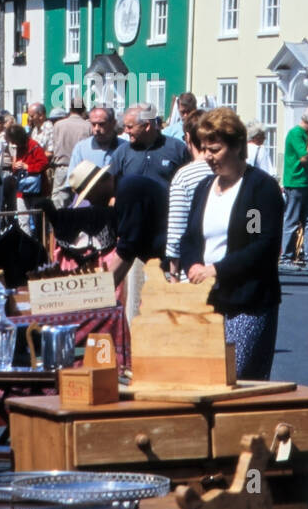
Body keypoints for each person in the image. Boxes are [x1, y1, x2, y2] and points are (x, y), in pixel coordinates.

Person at [178, 108, 283, 380]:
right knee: (203, 379)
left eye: (215, 149)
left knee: (235, 379)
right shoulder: (204, 188)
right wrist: (193, 264)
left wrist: (217, 269)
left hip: (246, 303)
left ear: (237, 146)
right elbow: (190, 237)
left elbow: (260, 245)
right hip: (207, 300)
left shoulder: (257, 189)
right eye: (204, 149)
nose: (208, 156)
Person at [166, 113, 215, 274]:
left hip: (194, 270)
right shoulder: (236, 174)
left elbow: (176, 230)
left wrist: (173, 272)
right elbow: (253, 221)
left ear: (188, 137)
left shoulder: (184, 176)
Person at [107, 102, 188, 190]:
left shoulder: (177, 148)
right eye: (124, 126)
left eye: (130, 127)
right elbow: (110, 184)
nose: (126, 131)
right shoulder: (122, 152)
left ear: (147, 126)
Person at [280, 106, 308, 271]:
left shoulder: (303, 134)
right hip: (295, 182)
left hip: (305, 183)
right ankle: (286, 257)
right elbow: (304, 157)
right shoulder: (296, 133)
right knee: (292, 220)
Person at [66, 105, 123, 178]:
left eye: (101, 124)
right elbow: (71, 180)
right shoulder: (81, 148)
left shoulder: (124, 148)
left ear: (113, 123)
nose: (97, 129)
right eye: (93, 124)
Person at [52, 97, 93, 195]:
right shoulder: (88, 126)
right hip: (82, 169)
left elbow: (54, 146)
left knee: (60, 202)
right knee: (80, 201)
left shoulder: (58, 125)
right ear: (83, 109)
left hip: (62, 167)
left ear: (70, 109)